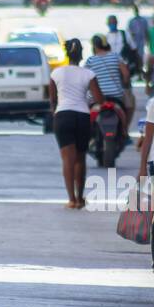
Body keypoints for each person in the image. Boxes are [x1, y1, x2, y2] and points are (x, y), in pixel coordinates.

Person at [48, 38, 106, 209]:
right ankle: (80, 198)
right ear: (81, 54)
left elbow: (52, 99)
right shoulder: (88, 74)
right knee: (80, 158)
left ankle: (71, 199)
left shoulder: (56, 73)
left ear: (66, 53)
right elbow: (99, 99)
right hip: (82, 116)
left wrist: (56, 113)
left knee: (67, 160)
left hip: (63, 116)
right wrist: (89, 102)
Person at [84, 34, 132, 132]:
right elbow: (126, 74)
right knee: (130, 105)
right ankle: (125, 130)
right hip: (116, 96)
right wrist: (125, 85)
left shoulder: (90, 60)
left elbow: (85, 79)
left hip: (96, 98)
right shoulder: (115, 56)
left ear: (94, 46)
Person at [126, 5, 150, 77]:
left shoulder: (143, 20)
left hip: (142, 42)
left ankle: (141, 72)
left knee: (142, 56)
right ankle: (137, 71)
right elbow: (129, 32)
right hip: (134, 42)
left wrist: (147, 41)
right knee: (135, 57)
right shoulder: (131, 21)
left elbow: (146, 31)